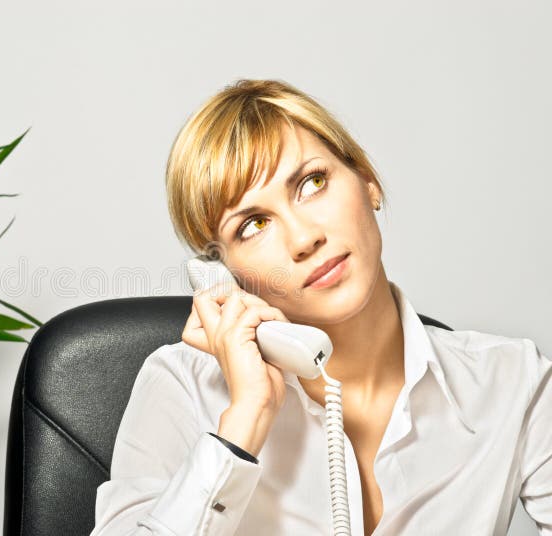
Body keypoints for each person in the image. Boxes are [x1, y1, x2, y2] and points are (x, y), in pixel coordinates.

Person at [91, 79, 551, 535]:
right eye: (253, 225)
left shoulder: (515, 383)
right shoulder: (181, 387)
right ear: (226, 273)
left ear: (367, 179)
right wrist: (244, 422)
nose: (304, 238)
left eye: (312, 183)